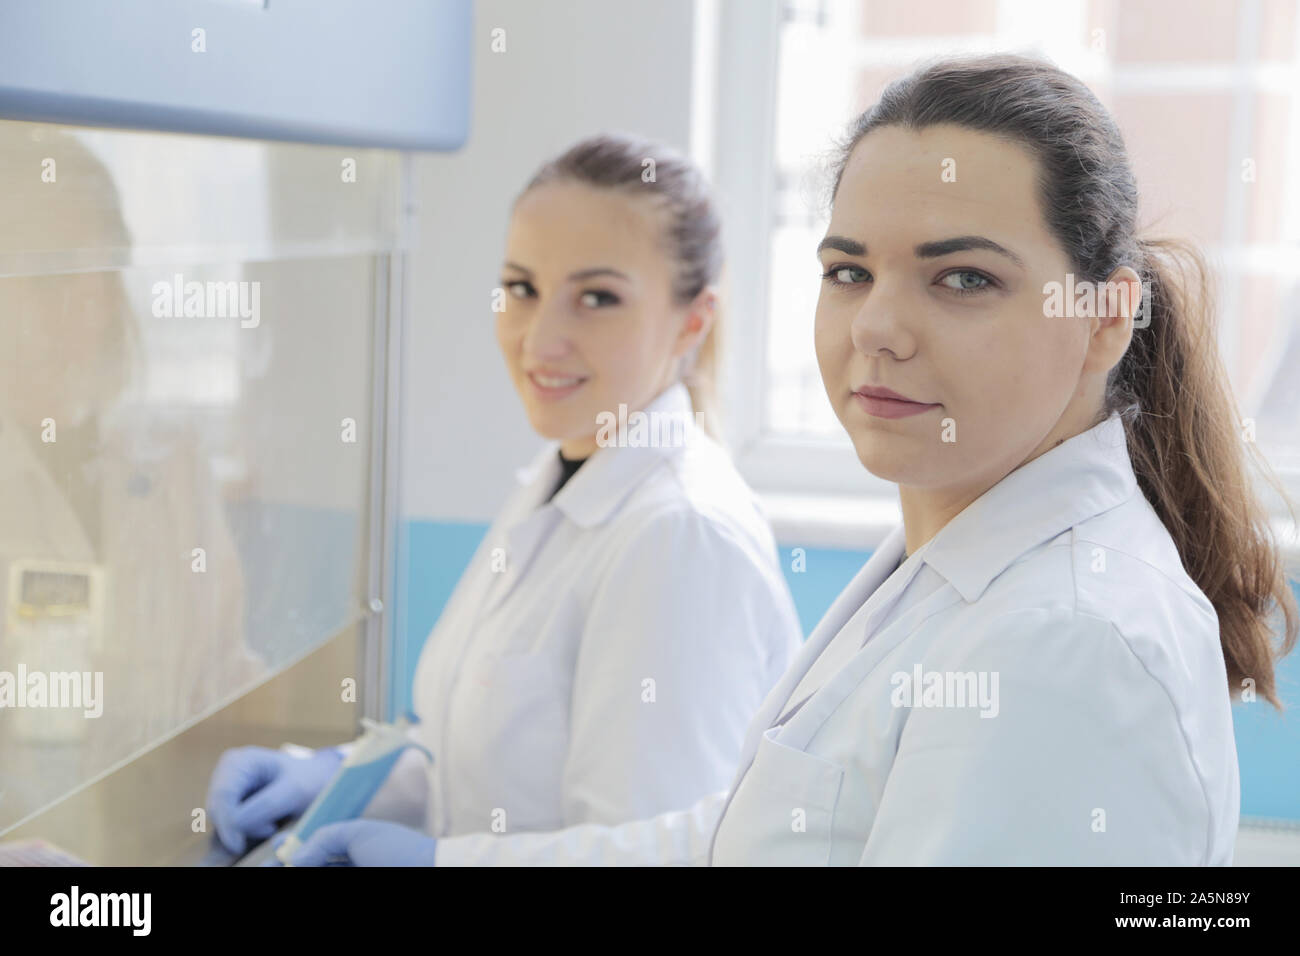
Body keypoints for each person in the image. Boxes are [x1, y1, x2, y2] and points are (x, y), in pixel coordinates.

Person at [285, 54, 1295, 866]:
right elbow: (730, 838)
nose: (880, 328)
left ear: (1102, 319)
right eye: (848, 270)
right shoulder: (951, 556)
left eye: (963, 277)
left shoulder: (1069, 644)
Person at [207, 134, 803, 859]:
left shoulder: (680, 534)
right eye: (522, 288)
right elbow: (484, 766)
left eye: (597, 298)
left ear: (693, 321)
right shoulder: (561, 477)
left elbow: (659, 853)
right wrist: (338, 777)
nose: (540, 339)